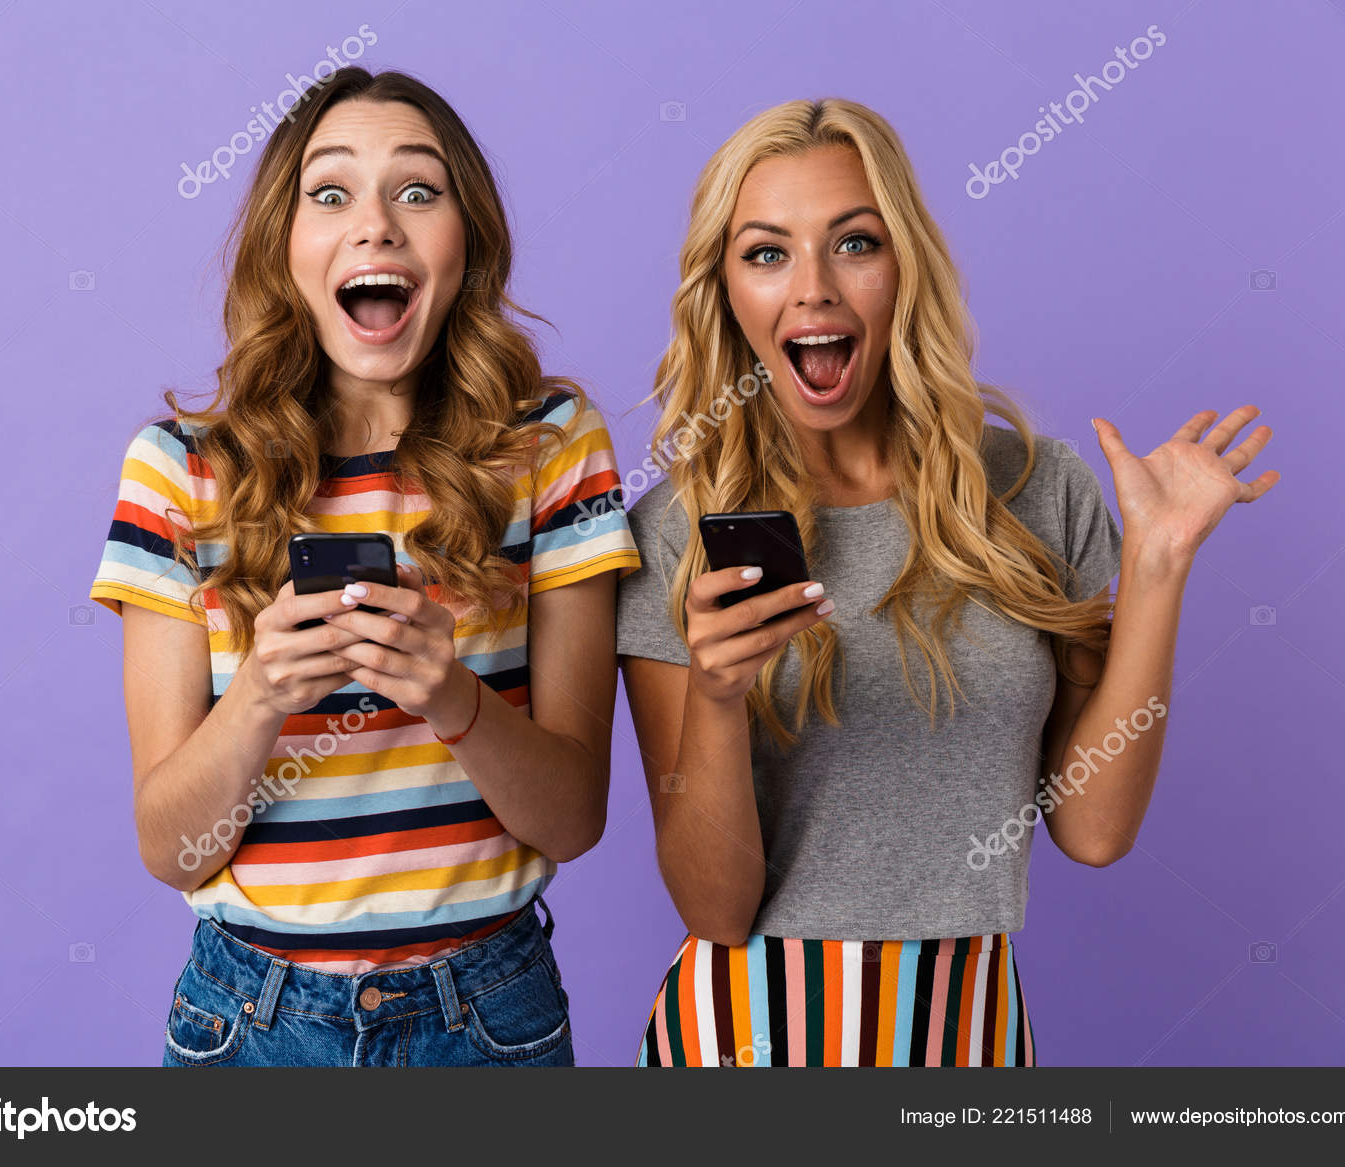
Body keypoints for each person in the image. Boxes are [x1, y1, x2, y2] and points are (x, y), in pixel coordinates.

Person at [616, 98, 1278, 1066]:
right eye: (766, 253)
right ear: (724, 291)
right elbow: (713, 907)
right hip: (747, 1032)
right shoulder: (676, 532)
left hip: (970, 1025)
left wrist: (1157, 566)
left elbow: (1094, 830)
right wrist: (717, 698)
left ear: (905, 266)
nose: (811, 290)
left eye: (853, 243)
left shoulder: (1033, 490)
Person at [89, 68, 640, 1066]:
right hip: (249, 1022)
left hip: (486, 1017)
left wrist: (451, 695)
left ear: (464, 242)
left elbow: (571, 821)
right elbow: (171, 850)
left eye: (418, 191)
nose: (376, 225)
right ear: (282, 247)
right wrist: (260, 694)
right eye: (330, 192)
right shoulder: (179, 471)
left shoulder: (550, 448)